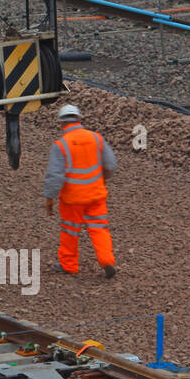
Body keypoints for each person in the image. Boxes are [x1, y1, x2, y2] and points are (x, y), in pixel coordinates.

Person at [43, 104, 118, 278]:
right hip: (96, 196)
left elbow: (55, 176)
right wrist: (103, 178)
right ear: (79, 119)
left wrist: (49, 198)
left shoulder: (61, 145)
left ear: (62, 123)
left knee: (70, 231)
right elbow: (111, 165)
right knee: (100, 230)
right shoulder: (96, 138)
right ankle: (107, 261)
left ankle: (68, 265)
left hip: (72, 200)